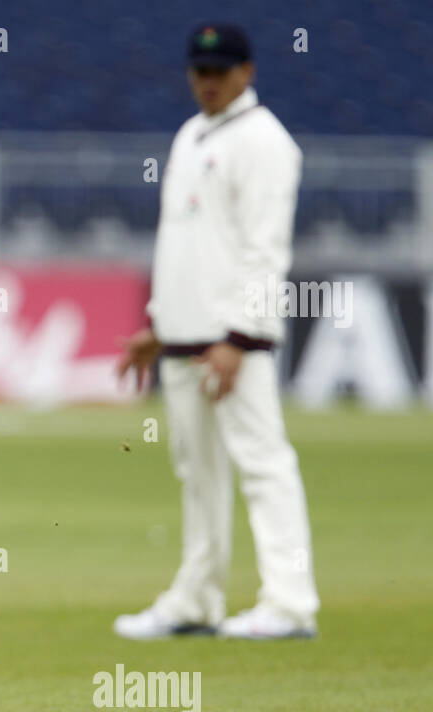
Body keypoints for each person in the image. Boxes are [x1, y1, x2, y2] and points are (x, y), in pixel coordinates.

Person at [114, 22, 320, 640]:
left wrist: (240, 335)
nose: (207, 81)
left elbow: (265, 250)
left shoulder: (264, 142)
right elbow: (185, 244)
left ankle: (289, 603)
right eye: (199, 71)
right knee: (197, 472)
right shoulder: (191, 134)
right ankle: (198, 598)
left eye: (220, 70)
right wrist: (158, 324)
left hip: (233, 342)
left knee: (262, 463)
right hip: (183, 338)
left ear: (247, 72)